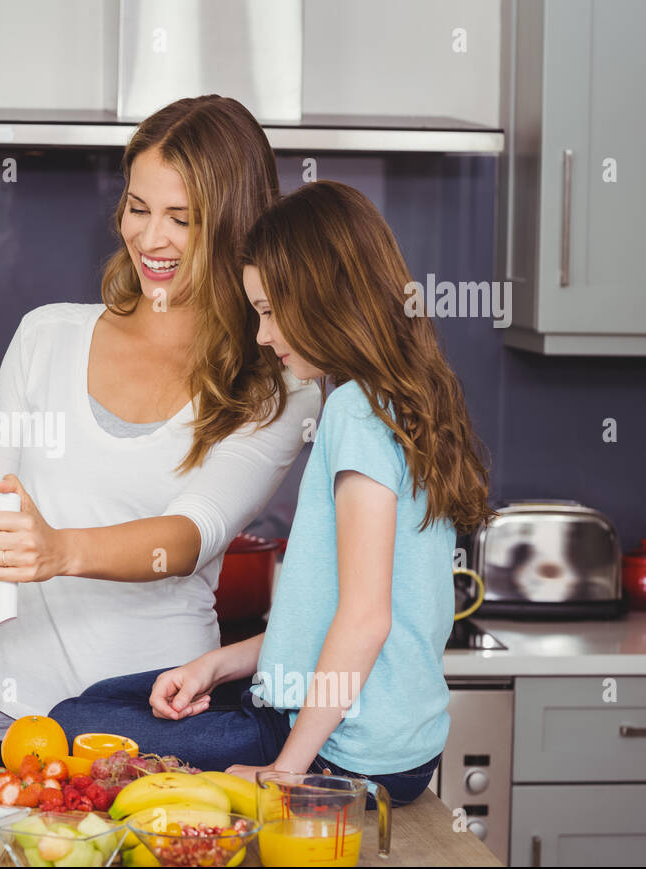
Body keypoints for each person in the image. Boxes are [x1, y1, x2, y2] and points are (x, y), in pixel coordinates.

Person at [51, 181, 496, 807]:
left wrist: (287, 773)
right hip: (396, 752)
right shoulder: (407, 406)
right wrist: (219, 665)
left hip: (342, 754)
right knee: (100, 705)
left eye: (267, 310)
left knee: (69, 727)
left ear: (320, 301)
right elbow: (337, 615)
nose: (262, 335)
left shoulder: (355, 414)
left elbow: (365, 621)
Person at [0, 96, 322, 746]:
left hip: (150, 718)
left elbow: (194, 533)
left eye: (181, 218)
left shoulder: (277, 382)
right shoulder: (46, 336)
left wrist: (61, 550)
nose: (150, 238)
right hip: (2, 712)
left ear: (233, 226)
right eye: (138, 208)